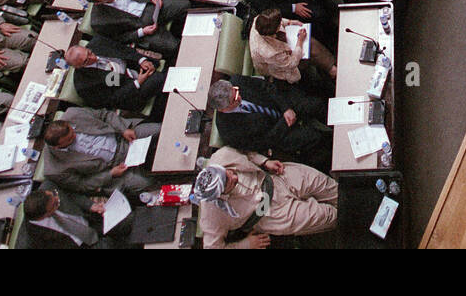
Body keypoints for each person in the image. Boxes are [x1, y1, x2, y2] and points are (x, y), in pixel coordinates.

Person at [194, 144, 338, 248]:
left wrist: (264, 161)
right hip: (270, 214)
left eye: (228, 173)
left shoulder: (221, 156)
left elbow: (245, 151)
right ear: (219, 196)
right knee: (331, 216)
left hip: (275, 178)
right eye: (229, 183)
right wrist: (245, 245)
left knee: (333, 189)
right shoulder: (211, 214)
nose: (234, 177)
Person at [206, 75, 330, 171]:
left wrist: (286, 108)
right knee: (314, 138)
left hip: (281, 104)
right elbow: (263, 142)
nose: (239, 97)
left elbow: (266, 87)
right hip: (278, 133)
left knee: (316, 105)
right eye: (234, 100)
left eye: (236, 91)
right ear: (222, 109)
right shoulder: (228, 131)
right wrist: (286, 122)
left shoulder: (237, 80)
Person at [41, 108, 162, 200]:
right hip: (114, 169)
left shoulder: (73, 114)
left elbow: (105, 115)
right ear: (57, 147)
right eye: (70, 140)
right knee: (147, 183)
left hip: (123, 138)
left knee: (161, 129)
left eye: (73, 132)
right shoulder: (54, 170)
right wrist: (110, 174)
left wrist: (123, 129)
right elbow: (82, 185)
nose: (75, 136)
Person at [83, 0, 183, 59]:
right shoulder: (99, 21)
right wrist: (142, 32)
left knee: (186, 6)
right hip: (142, 27)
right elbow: (120, 38)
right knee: (174, 47)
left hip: (151, 5)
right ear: (98, 3)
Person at [65, 36, 164, 112]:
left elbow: (124, 50)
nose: (93, 58)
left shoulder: (98, 42)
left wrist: (141, 60)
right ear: (77, 67)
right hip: (129, 91)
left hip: (131, 65)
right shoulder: (84, 85)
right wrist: (137, 83)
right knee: (160, 78)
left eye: (89, 53)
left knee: (155, 64)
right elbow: (112, 99)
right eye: (86, 61)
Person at [21, 184, 134, 249]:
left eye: (54, 196)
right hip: (82, 245)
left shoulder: (49, 187)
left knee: (128, 221)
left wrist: (90, 205)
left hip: (91, 221)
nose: (58, 199)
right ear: (45, 215)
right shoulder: (34, 239)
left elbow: (71, 195)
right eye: (55, 204)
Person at [250, 8, 337, 90]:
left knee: (310, 45)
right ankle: (331, 70)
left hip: (278, 49)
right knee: (309, 49)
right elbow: (292, 63)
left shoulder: (259, 20)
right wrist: (300, 41)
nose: (281, 23)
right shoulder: (269, 52)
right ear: (275, 30)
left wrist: (290, 22)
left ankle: (330, 69)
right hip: (277, 67)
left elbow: (279, 21)